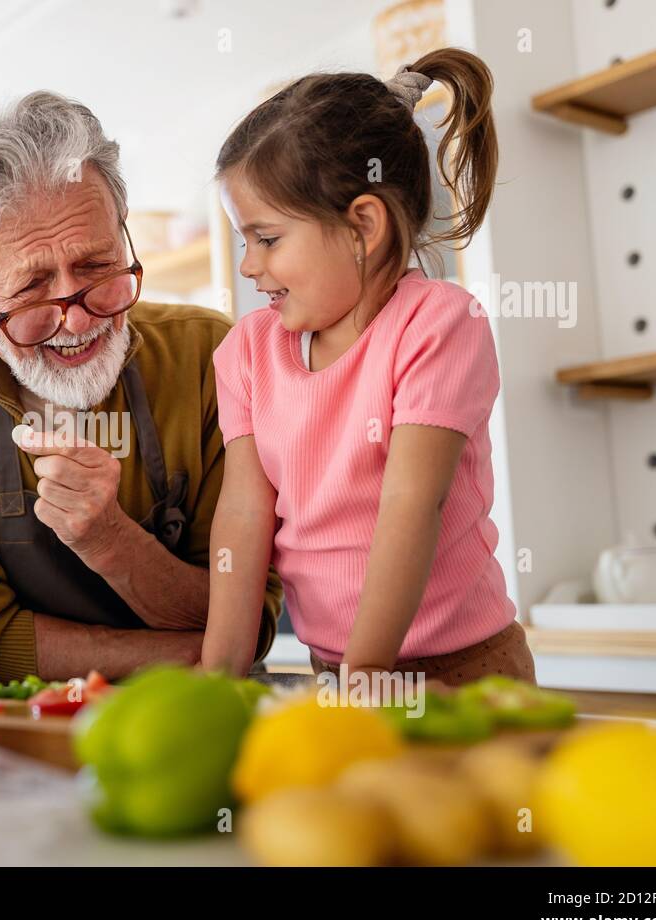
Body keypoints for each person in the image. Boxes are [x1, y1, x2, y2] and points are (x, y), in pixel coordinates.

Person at [0, 91, 282, 682]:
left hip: (199, 715)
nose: (78, 319)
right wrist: (201, 653)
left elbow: (248, 614)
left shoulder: (211, 354)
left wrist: (110, 542)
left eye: (96, 267)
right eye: (32, 288)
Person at [202, 49, 535, 688]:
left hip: (466, 669)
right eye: (245, 241)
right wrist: (218, 674)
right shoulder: (246, 352)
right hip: (333, 669)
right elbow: (243, 517)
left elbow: (413, 504)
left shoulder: (438, 323)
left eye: (267, 239)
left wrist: (367, 675)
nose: (249, 265)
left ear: (362, 226)